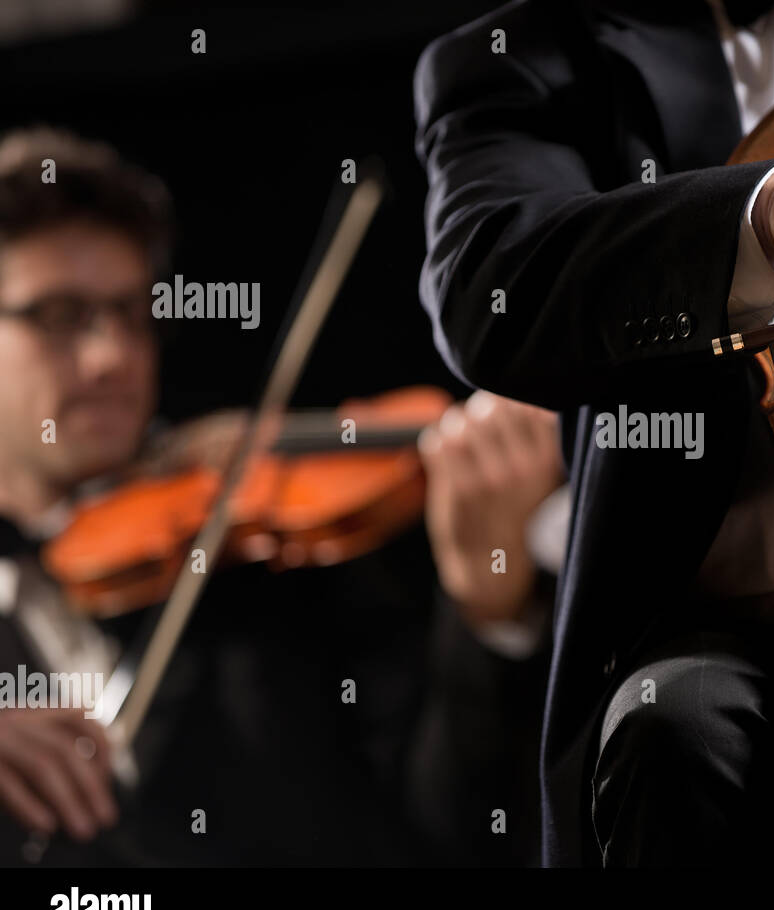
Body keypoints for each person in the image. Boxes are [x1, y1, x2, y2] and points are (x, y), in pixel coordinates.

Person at [414, 0, 774, 866]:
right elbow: (492, 279)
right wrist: (754, 210)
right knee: (678, 729)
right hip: (770, 613)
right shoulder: (523, 57)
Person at [0, 126, 562, 866]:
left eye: (132, 314)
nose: (113, 356)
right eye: (61, 316)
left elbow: (456, 830)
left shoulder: (274, 562)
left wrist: (489, 612)